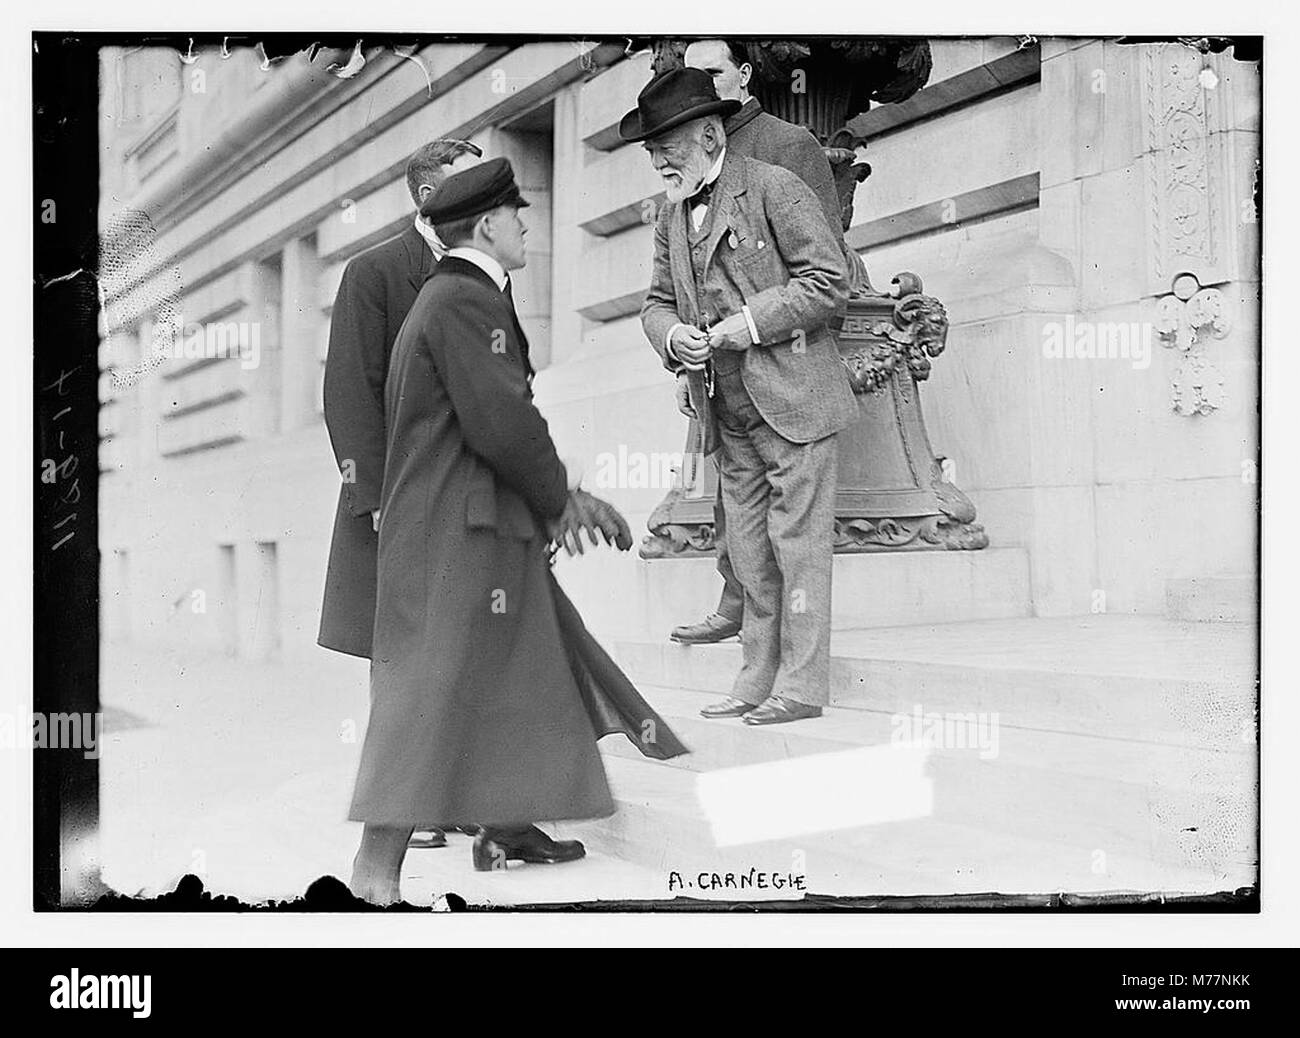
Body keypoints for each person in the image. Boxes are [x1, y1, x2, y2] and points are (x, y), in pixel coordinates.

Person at [347, 158, 687, 903]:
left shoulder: (449, 299)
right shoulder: (463, 301)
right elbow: (502, 421)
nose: (528, 225)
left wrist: (558, 501)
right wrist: (562, 499)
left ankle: (500, 831)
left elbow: (496, 422)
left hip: (463, 530)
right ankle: (373, 882)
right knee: (429, 696)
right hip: (459, 538)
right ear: (489, 225)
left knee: (511, 679)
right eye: (518, 214)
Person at [628, 68, 855, 725]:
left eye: (663, 147)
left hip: (796, 399)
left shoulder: (774, 186)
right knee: (748, 549)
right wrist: (676, 341)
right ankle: (755, 679)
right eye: (650, 151)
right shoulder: (672, 215)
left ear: (707, 134)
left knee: (799, 546)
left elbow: (828, 281)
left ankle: (803, 687)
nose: (656, 161)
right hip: (725, 407)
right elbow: (655, 304)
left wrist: (744, 325)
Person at [666, 39, 863, 647]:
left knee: (784, 516)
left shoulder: (787, 146)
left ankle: (776, 644)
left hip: (781, 362)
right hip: (718, 372)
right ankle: (739, 603)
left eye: (713, 72)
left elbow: (824, 262)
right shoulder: (680, 176)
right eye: (689, 74)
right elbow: (674, 288)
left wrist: (780, 351)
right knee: (734, 502)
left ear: (744, 75)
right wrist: (681, 359)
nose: (701, 82)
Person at [319, 139, 483, 851]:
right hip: (396, 501)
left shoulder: (480, 272)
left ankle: (452, 798)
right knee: (401, 658)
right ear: (424, 195)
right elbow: (346, 393)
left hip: (467, 497)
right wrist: (376, 499)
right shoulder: (376, 271)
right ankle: (401, 809)